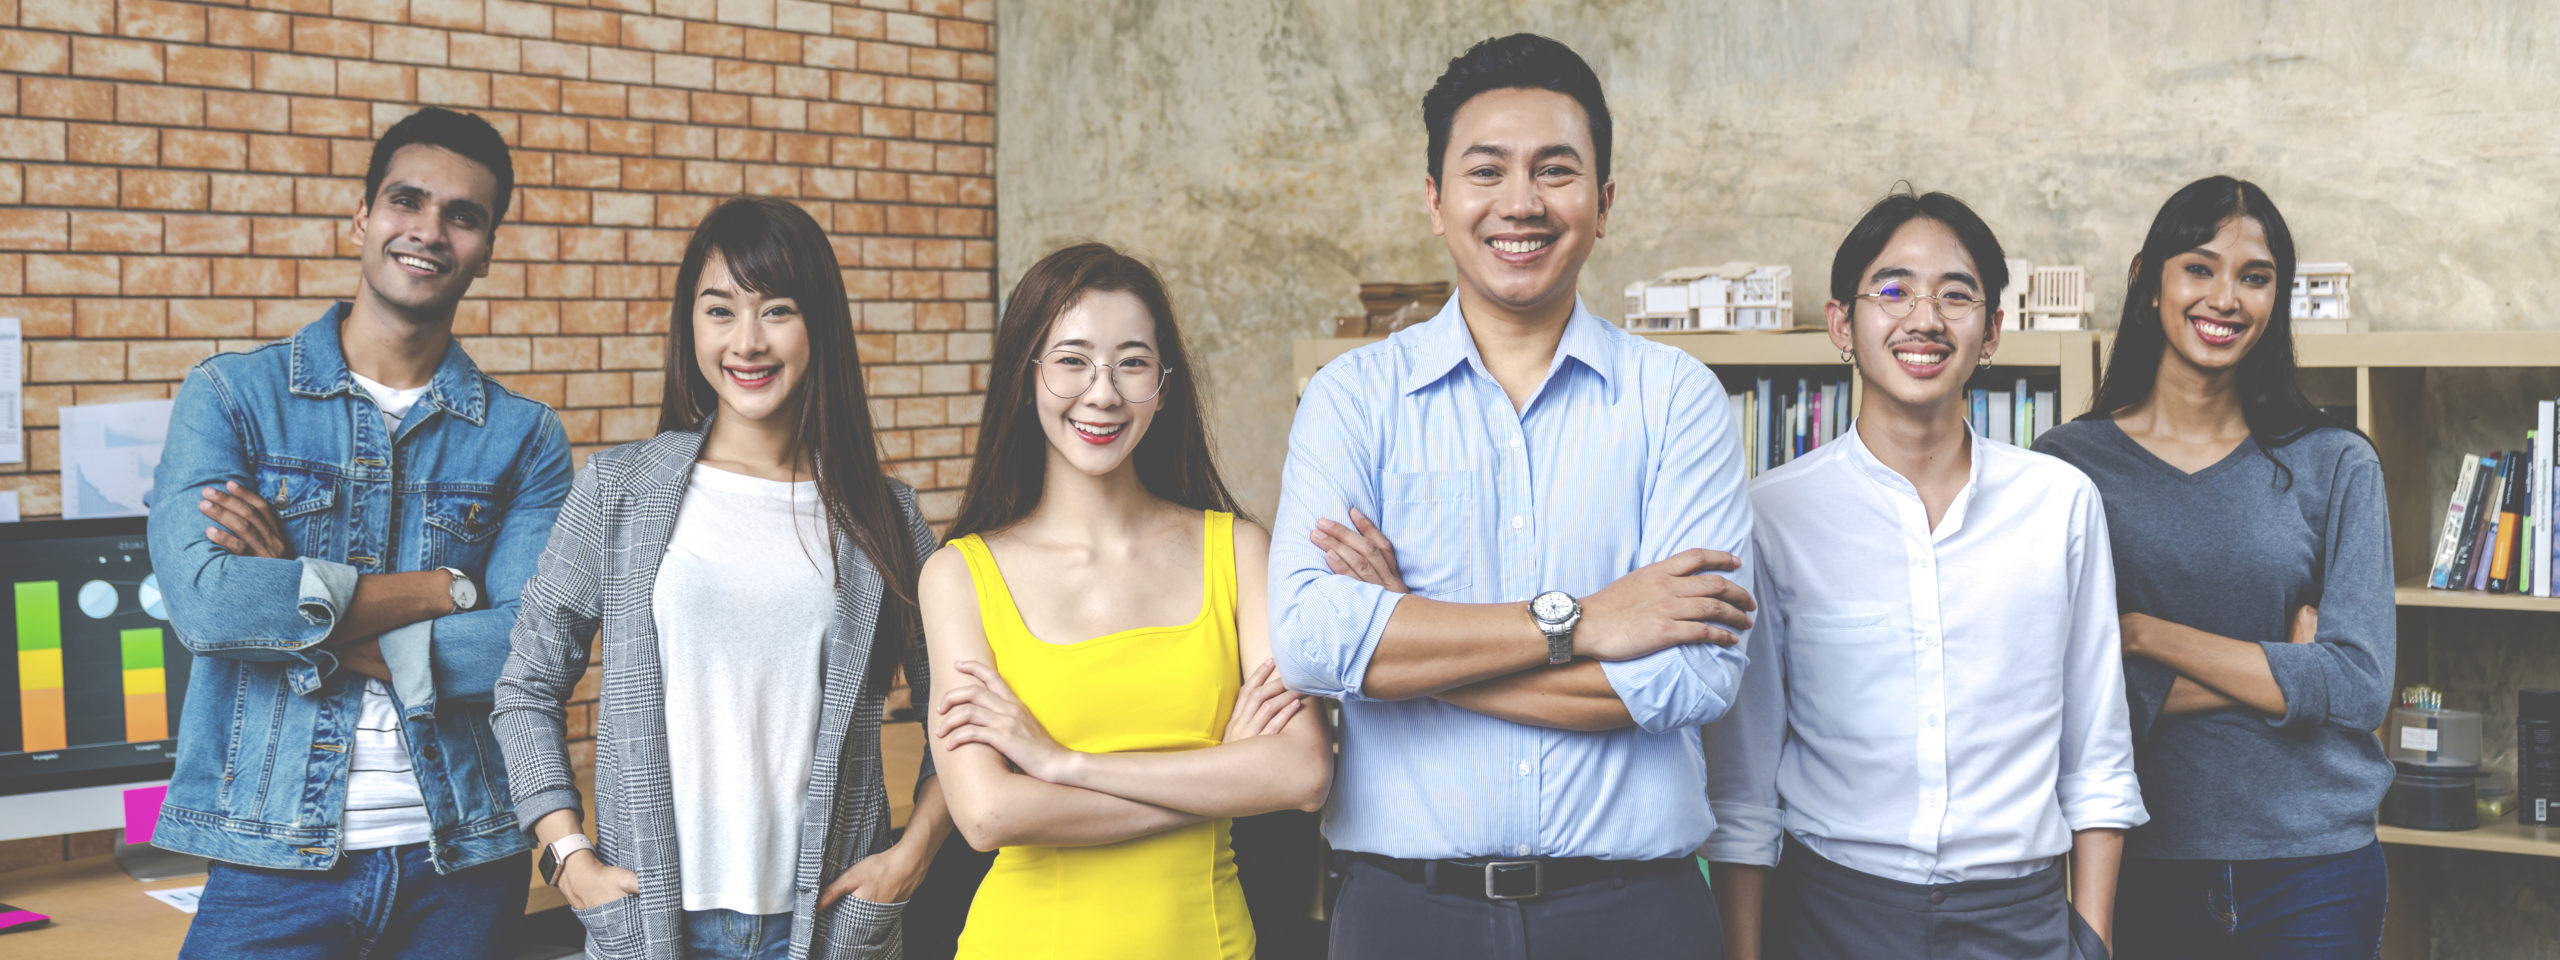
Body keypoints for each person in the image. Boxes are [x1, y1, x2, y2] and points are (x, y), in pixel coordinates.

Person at [1269, 33, 1757, 959]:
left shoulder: (1676, 398)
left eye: (1556, 171)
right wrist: (1584, 620)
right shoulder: (1354, 397)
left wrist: (1411, 638)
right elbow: (1311, 640)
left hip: (1637, 915)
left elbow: (1693, 677)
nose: (1521, 204)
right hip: (1405, 915)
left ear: (1604, 203)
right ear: (1436, 200)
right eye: (1486, 170)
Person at [146, 107, 568, 958]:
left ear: (487, 247)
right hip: (270, 860)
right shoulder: (233, 397)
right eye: (407, 201)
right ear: (362, 218)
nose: (428, 231)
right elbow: (209, 609)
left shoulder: (525, 438)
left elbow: (530, 652)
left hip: (466, 858)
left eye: (463, 214)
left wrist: (297, 599)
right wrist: (444, 591)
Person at [493, 197, 951, 960]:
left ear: (819, 327)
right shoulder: (619, 490)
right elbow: (526, 684)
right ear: (691, 327)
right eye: (720, 310)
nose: (748, 341)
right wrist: (564, 854)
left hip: (831, 922)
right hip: (654, 920)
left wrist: (915, 853)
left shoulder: (886, 515)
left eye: (776, 310)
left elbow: (956, 710)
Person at [1699, 191, 2146, 960]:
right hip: (1831, 913)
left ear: (1993, 330)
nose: (1926, 319)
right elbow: (1744, 784)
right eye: (1894, 290)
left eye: (1957, 294)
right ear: (1843, 324)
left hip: (2021, 918)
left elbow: (2098, 756)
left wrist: (2092, 944)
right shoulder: (1772, 515)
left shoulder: (2060, 505)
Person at [918, 242, 1332, 960]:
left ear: (1164, 387)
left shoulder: (1238, 551)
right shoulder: (959, 575)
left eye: (1132, 362)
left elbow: (1301, 772)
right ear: (1028, 378)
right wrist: (1219, 772)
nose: (1103, 392)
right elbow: (987, 814)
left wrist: (1062, 765)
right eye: (1073, 360)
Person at [2034, 176, 2394, 958]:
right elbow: (2062, 700)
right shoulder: (2065, 469)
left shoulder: (2336, 464)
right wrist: (2289, 669)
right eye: (2200, 268)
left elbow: (2359, 688)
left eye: (2254, 277)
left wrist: (2140, 635)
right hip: (2140, 859)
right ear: (2148, 281)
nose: (2226, 297)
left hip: (2317, 870)